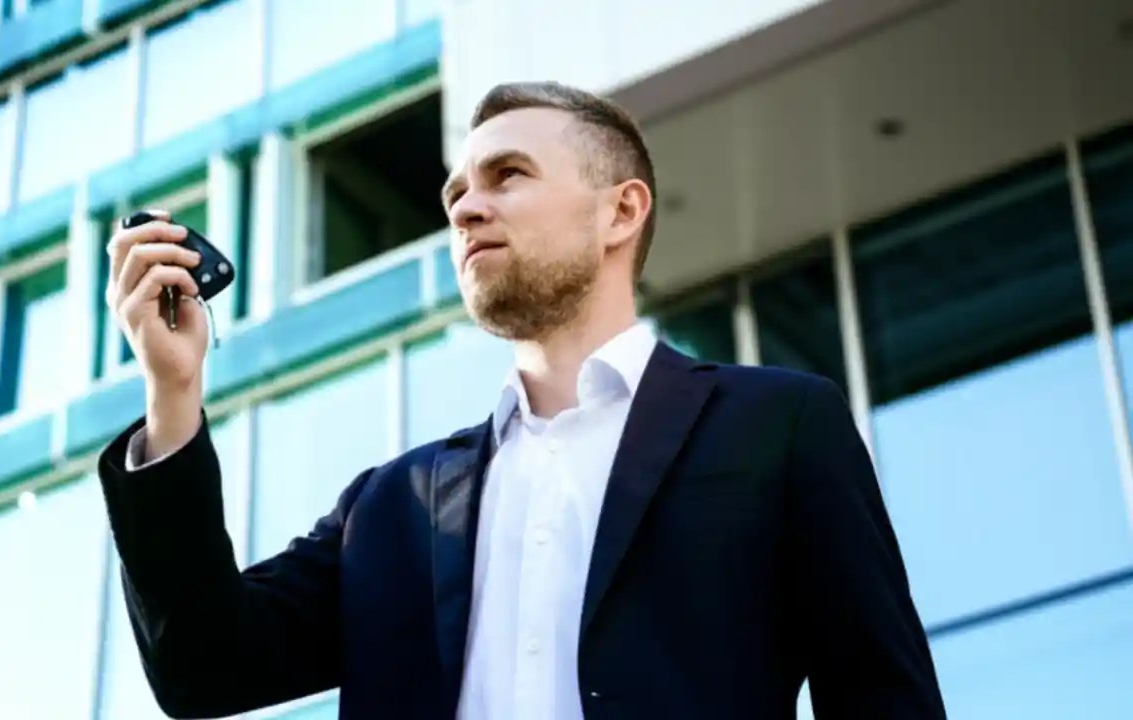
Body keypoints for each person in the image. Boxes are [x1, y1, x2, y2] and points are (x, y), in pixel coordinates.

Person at [97, 80, 946, 720]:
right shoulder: (393, 508)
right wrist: (173, 393)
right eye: (456, 192)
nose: (467, 207)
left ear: (621, 212)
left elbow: (881, 696)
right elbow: (202, 667)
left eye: (508, 176)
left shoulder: (777, 425)